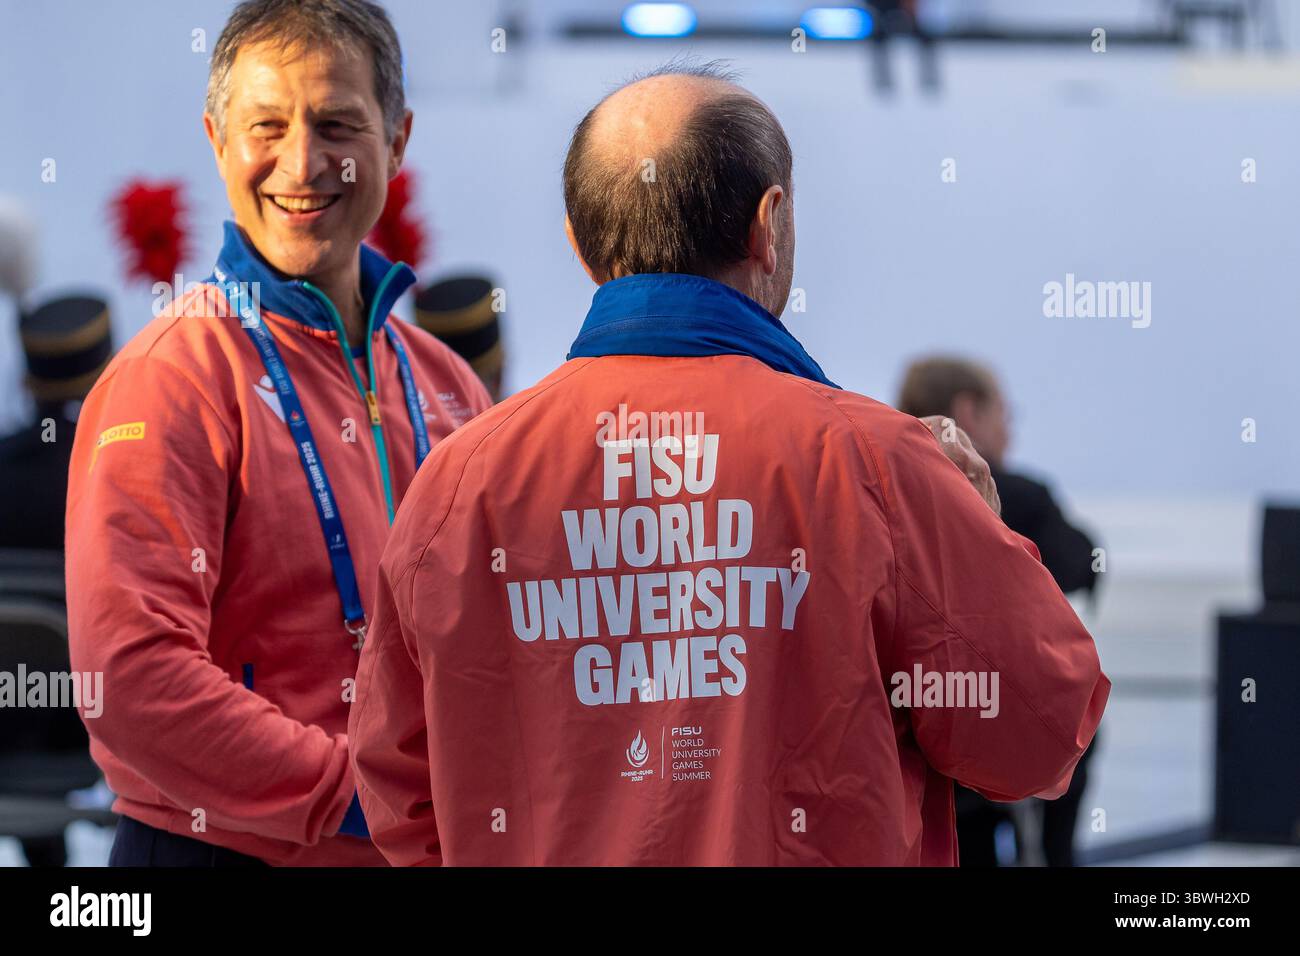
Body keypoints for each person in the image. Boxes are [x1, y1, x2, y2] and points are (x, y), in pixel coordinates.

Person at [348, 63, 1109, 866]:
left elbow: (398, 793)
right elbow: (1038, 735)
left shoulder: (457, 484)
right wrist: (979, 543)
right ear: (767, 225)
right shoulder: (880, 467)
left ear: (579, 245)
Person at [65, 0, 491, 867]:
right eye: (267, 126)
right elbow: (132, 679)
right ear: (218, 140)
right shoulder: (172, 378)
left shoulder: (448, 386)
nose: (301, 163)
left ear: (396, 141)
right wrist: (359, 797)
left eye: (336, 124)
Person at [897, 356, 1101, 866]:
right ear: (969, 411)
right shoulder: (1023, 495)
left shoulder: (880, 478)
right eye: (1005, 415)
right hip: (983, 718)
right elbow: (1083, 562)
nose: (1011, 431)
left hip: (907, 723)